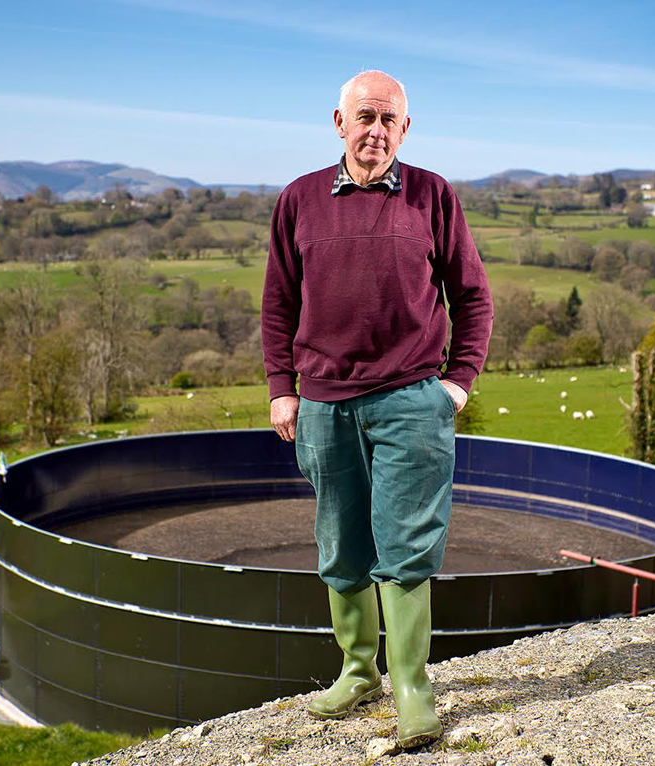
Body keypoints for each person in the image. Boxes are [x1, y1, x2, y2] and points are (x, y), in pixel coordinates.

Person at [261, 70, 492, 749]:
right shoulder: (299, 200)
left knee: (406, 547)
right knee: (340, 543)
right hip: (325, 404)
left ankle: (413, 688)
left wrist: (457, 385)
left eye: (389, 120)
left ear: (406, 129)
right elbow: (278, 301)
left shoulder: (433, 196)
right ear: (338, 122)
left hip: (411, 400)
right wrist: (282, 385)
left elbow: (472, 297)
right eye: (365, 116)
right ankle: (357, 671)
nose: (376, 131)